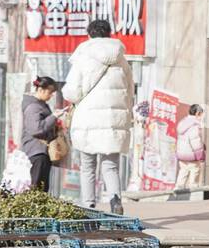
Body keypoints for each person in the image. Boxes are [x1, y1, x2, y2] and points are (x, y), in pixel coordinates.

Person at [61, 18, 134, 214]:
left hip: (88, 120)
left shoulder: (83, 56)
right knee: (111, 165)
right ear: (109, 34)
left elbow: (72, 92)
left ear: (89, 34)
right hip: (113, 121)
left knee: (88, 165)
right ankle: (115, 199)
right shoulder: (121, 60)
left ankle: (89, 204)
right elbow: (129, 92)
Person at [20, 76, 63, 192]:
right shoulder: (33, 107)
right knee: (37, 186)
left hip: (41, 150)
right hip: (37, 151)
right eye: (50, 92)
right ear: (41, 90)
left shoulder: (40, 104)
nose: (52, 95)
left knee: (41, 187)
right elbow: (36, 129)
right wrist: (53, 117)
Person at [175, 104, 206, 189]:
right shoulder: (194, 126)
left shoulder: (183, 122)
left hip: (181, 154)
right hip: (191, 155)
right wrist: (201, 156)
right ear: (197, 113)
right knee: (194, 172)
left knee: (183, 173)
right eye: (201, 114)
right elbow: (195, 142)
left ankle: (177, 192)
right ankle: (193, 193)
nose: (201, 117)